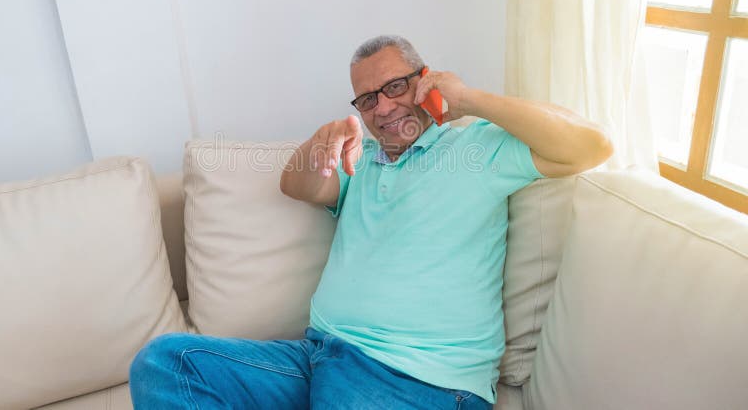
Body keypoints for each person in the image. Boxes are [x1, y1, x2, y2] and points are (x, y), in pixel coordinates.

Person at [129, 35, 613, 409]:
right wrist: (321, 142)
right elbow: (295, 186)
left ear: (425, 81)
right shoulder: (362, 165)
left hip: (414, 379)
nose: (381, 107)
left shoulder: (477, 149)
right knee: (166, 361)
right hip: (316, 360)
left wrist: (468, 99)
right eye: (366, 99)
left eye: (394, 87)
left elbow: (593, 145)